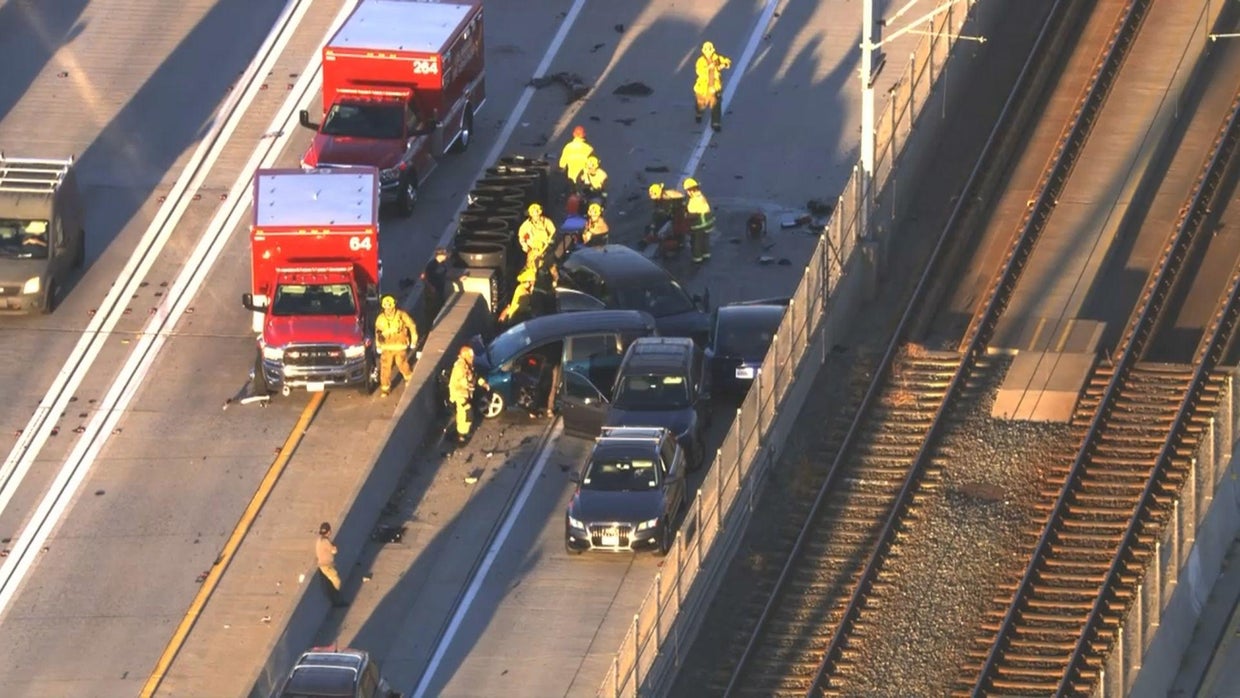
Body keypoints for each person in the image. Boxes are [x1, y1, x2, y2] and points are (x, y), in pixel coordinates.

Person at [374, 294, 419, 397]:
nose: (388, 309)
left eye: (390, 306)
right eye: (386, 306)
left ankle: (408, 379)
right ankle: (385, 388)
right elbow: (377, 332)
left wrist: (414, 341)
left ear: (394, 305)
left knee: (402, 363)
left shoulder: (401, 315)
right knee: (385, 368)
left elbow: (412, 325)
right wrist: (378, 345)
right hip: (386, 347)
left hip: (400, 346)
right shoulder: (380, 318)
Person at [449, 344, 488, 443]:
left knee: (463, 414)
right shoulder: (460, 367)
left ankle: (461, 431)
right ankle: (462, 436)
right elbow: (466, 382)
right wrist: (473, 383)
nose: (472, 358)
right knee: (467, 414)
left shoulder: (467, 365)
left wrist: (482, 383)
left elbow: (474, 376)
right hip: (460, 395)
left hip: (464, 394)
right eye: (470, 356)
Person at [694, 41, 732, 131]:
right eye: (706, 50)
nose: (708, 52)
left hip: (715, 87)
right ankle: (699, 113)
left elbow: (727, 61)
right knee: (700, 103)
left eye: (709, 50)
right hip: (703, 87)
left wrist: (725, 64)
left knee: (716, 105)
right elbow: (700, 72)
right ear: (703, 51)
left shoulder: (716, 58)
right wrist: (710, 68)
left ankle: (716, 124)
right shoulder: (700, 61)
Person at [684, 177, 715, 263]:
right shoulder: (701, 196)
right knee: (705, 240)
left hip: (699, 225)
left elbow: (693, 215)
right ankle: (706, 254)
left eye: (687, 191)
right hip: (707, 224)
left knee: (696, 242)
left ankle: (697, 258)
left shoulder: (693, 201)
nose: (687, 193)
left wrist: (685, 216)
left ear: (691, 190)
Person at [316, 522, 347, 607]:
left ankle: (335, 598)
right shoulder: (326, 541)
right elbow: (334, 551)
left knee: (330, 583)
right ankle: (336, 599)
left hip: (322, 566)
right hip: (326, 566)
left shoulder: (319, 540)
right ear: (329, 531)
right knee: (336, 581)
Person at [518, 202, 557, 269]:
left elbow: (553, 232)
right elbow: (521, 236)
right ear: (531, 214)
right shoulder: (527, 225)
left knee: (552, 268)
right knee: (530, 269)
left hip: (546, 249)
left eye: (537, 214)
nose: (536, 216)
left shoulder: (546, 221)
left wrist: (548, 244)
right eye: (533, 214)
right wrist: (524, 245)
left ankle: (555, 279)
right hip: (533, 250)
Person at [558, 125, 594, 191]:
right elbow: (593, 166)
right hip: (584, 182)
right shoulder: (589, 149)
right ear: (584, 135)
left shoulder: (568, 147)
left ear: (574, 134)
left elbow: (561, 165)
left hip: (571, 181)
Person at [420, 247, 451, 318]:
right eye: (444, 255)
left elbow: (444, 276)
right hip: (432, 294)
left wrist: (457, 278)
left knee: (440, 309)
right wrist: (431, 287)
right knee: (431, 312)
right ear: (439, 255)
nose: (446, 256)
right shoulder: (431, 265)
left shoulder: (442, 264)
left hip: (440, 291)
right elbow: (423, 278)